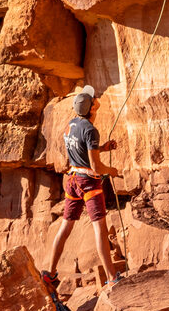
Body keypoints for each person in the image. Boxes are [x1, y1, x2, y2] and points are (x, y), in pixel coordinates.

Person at [42, 85, 125, 292]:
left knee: (66, 226)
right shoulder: (90, 129)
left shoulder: (72, 125)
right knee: (100, 228)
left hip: (72, 180)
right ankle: (112, 277)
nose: (96, 99)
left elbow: (80, 150)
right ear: (92, 108)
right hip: (89, 183)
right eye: (94, 99)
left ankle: (50, 273)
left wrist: (102, 148)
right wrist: (112, 171)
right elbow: (96, 167)